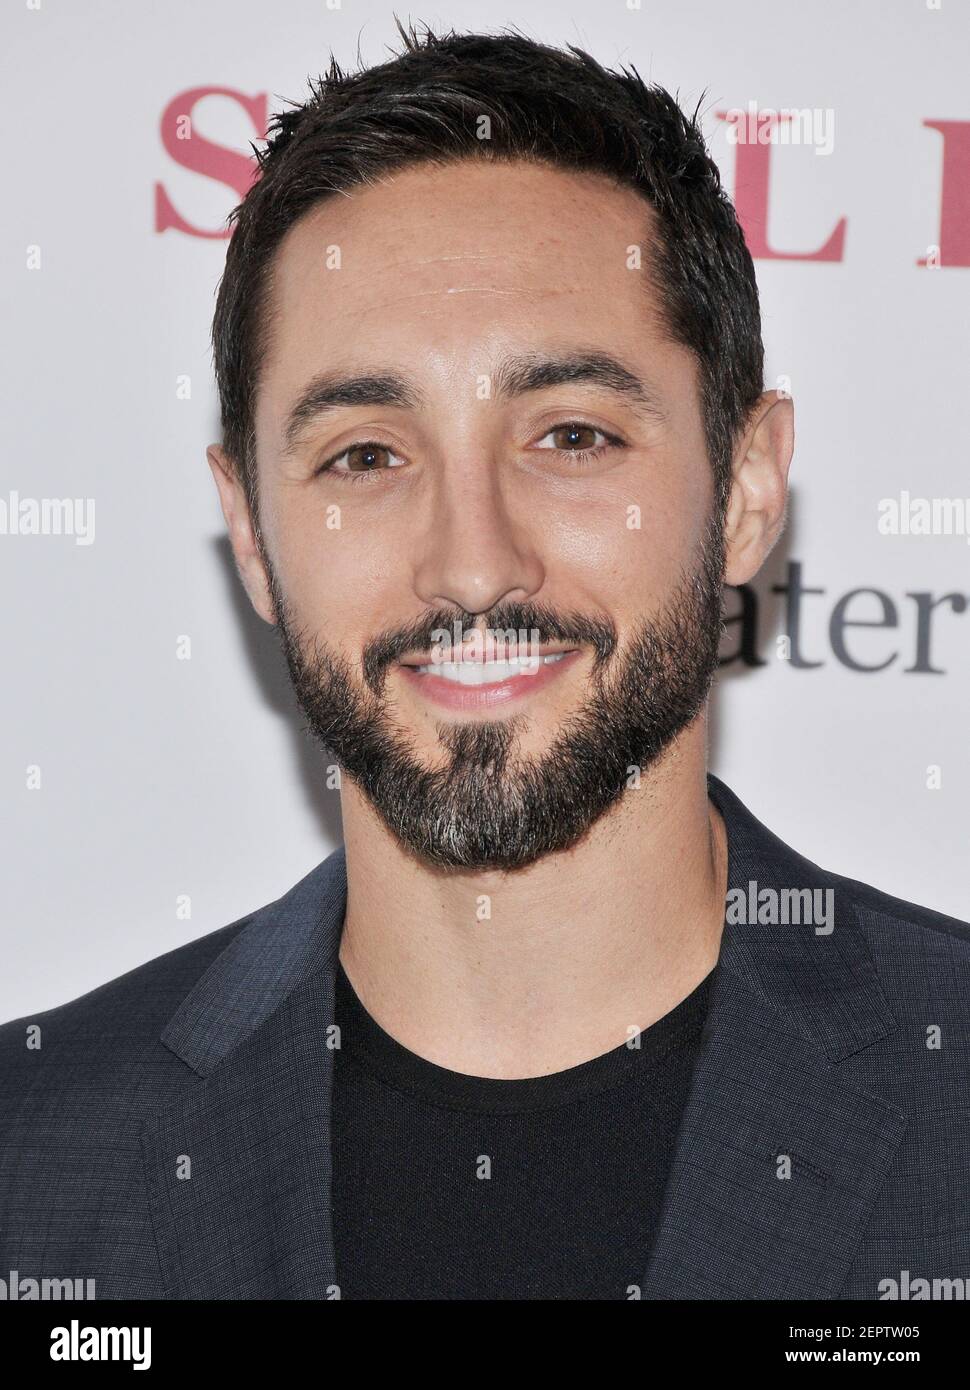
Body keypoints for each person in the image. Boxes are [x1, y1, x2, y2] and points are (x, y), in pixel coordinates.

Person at [2, 22, 968, 1302]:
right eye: (365, 453)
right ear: (249, 532)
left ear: (742, 484)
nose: (471, 565)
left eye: (569, 434)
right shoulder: (32, 1151)